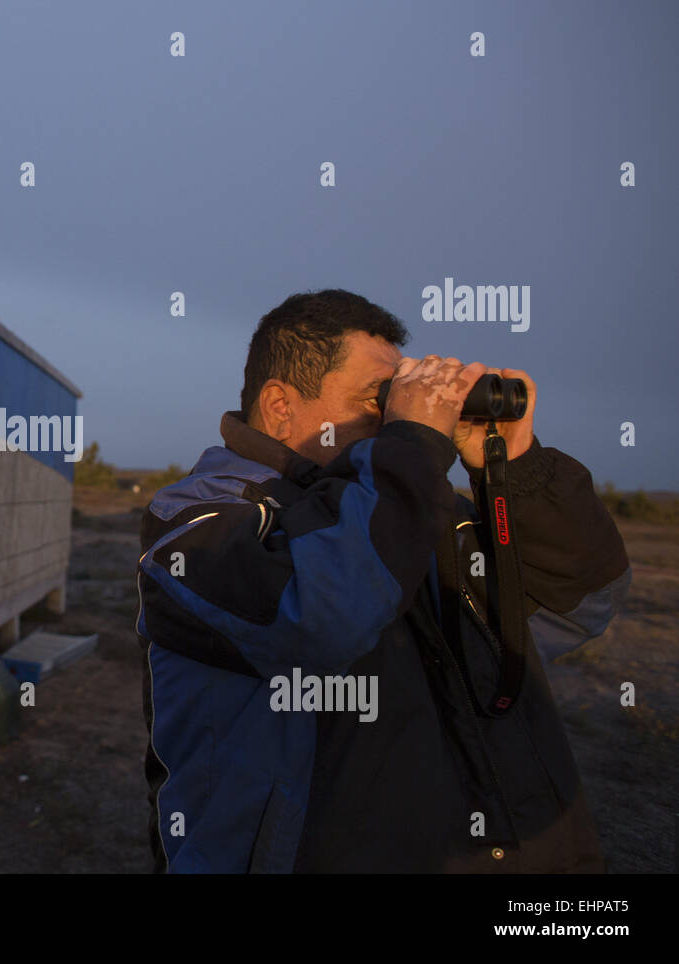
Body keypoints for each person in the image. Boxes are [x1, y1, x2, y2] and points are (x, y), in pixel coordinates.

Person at [137, 289, 631, 873]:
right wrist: (412, 449)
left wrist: (514, 468)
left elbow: (581, 604)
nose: (399, 418)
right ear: (279, 406)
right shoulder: (196, 524)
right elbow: (322, 619)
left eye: (404, 399)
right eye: (378, 400)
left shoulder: (412, 511)